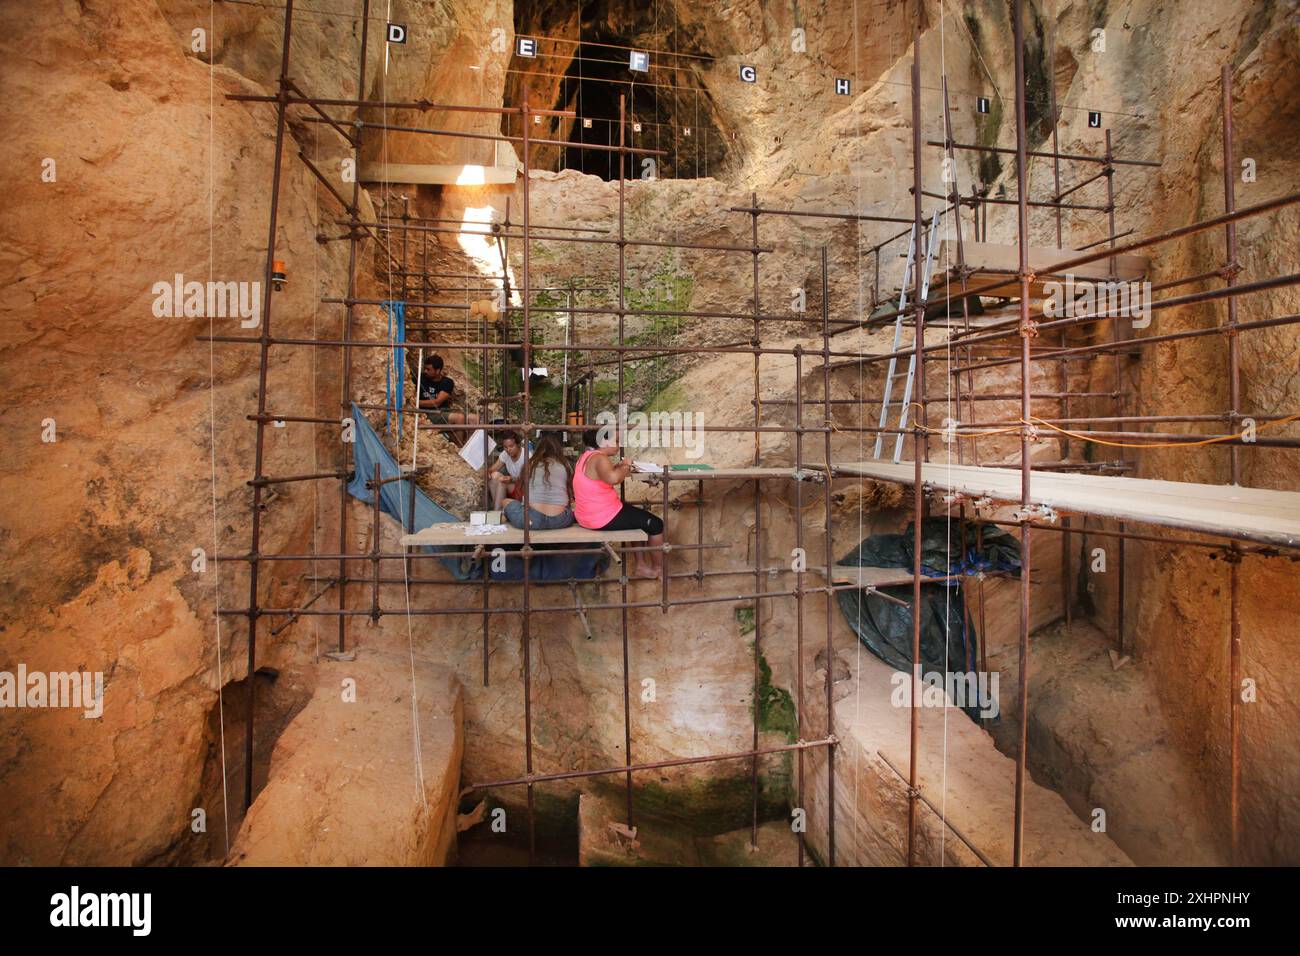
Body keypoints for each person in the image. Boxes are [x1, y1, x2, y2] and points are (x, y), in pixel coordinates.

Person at [573, 428, 665, 578]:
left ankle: (641, 566)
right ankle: (658, 569)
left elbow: (603, 474)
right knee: (656, 524)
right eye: (616, 441)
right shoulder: (599, 458)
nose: (619, 444)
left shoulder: (586, 457)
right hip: (602, 517)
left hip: (586, 516)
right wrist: (626, 465)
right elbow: (614, 478)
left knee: (636, 517)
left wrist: (618, 467)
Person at [503, 434, 574, 531]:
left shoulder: (529, 465)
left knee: (505, 502)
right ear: (558, 449)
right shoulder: (565, 465)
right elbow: (570, 493)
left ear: (538, 449)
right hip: (561, 520)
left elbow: (521, 491)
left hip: (532, 520)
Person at [417, 354, 478, 439]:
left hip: (444, 411)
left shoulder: (447, 382)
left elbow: (437, 402)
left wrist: (417, 402)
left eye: (428, 369)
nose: (425, 371)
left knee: (474, 418)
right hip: (428, 413)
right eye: (425, 369)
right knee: (459, 418)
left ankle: (468, 446)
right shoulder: (419, 379)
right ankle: (458, 446)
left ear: (438, 371)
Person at [486, 430, 530, 509]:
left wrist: (512, 479)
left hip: (525, 489)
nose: (508, 449)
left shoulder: (527, 456)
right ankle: (498, 506)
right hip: (513, 485)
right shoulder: (505, 454)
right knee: (494, 476)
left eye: (511, 446)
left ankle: (497, 511)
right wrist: (488, 473)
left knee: (502, 483)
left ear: (518, 445)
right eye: (505, 447)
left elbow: (526, 479)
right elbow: (492, 469)